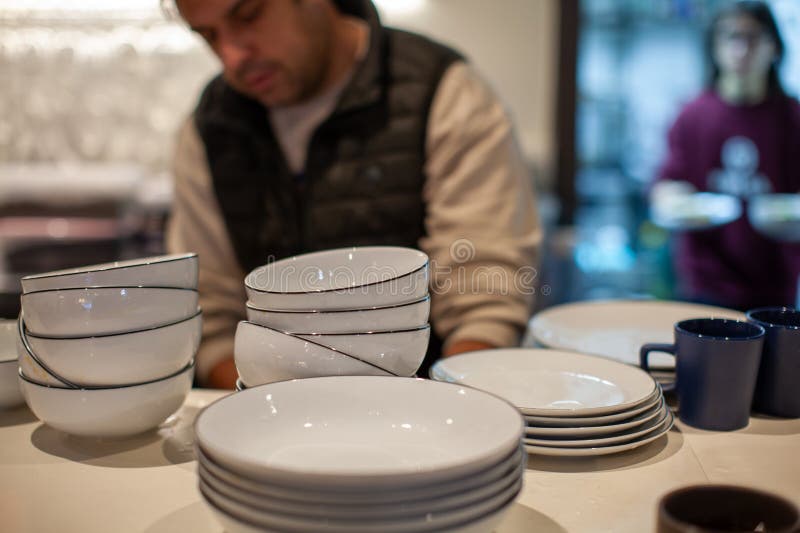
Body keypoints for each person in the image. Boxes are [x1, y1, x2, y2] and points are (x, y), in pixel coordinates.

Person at [165, 0, 541, 388]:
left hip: (427, 403)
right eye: (208, 36)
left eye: (248, 16)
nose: (232, 57)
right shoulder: (210, 130)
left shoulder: (444, 93)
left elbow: (483, 296)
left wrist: (439, 416)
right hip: (276, 423)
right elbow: (211, 316)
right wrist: (271, 417)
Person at [652, 0, 800, 311]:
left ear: (774, 46)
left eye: (753, 37)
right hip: (704, 283)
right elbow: (667, 184)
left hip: (775, 285)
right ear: (715, 46)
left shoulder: (792, 118)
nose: (742, 49)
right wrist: (674, 200)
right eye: (732, 37)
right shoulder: (692, 116)